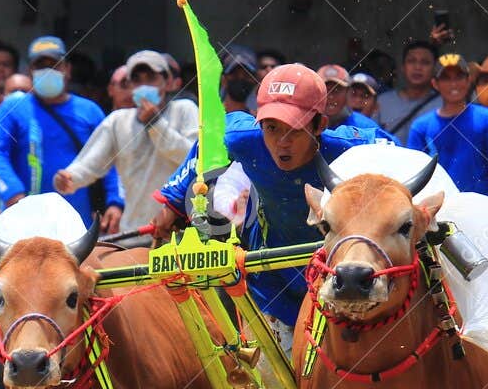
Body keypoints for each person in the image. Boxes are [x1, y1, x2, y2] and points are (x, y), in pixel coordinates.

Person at [154, 64, 393, 352]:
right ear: (259, 123)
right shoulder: (241, 138)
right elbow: (207, 138)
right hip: (268, 277)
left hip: (337, 278)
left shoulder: (353, 145)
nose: (282, 142)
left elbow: (405, 159)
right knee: (268, 388)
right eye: (272, 128)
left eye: (295, 129)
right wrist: (172, 200)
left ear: (319, 125)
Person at [0, 35, 121, 231]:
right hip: (24, 222)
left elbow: (110, 160)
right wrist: (13, 193)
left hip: (77, 224)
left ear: (67, 70)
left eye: (55, 64)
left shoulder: (90, 111)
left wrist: (115, 202)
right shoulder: (12, 108)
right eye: (41, 65)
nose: (48, 71)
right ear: (30, 71)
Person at [55, 48, 198, 233]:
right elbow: (91, 163)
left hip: (180, 231)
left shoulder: (185, 110)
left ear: (168, 82)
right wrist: (70, 178)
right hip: (135, 231)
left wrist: (156, 124)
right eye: (137, 80)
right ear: (130, 87)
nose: (144, 85)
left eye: (151, 78)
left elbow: (193, 159)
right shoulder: (118, 121)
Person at [406, 53, 488, 200]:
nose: (453, 84)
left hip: (481, 208)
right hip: (438, 211)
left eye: (459, 77)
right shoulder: (421, 127)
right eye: (446, 78)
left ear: (468, 80)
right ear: (435, 84)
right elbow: (414, 173)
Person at [374, 38, 440, 140]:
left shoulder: (443, 104)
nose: (417, 67)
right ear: (403, 67)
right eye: (411, 61)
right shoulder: (382, 102)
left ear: (435, 69)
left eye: (425, 62)